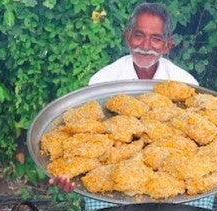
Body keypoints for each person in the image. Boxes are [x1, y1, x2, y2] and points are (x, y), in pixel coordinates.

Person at [48, 2, 197, 194]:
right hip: (112, 188)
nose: (145, 46)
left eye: (156, 39)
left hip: (171, 181)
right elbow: (84, 138)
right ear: (128, 37)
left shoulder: (184, 83)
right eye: (139, 35)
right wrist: (68, 175)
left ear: (167, 45)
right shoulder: (102, 82)